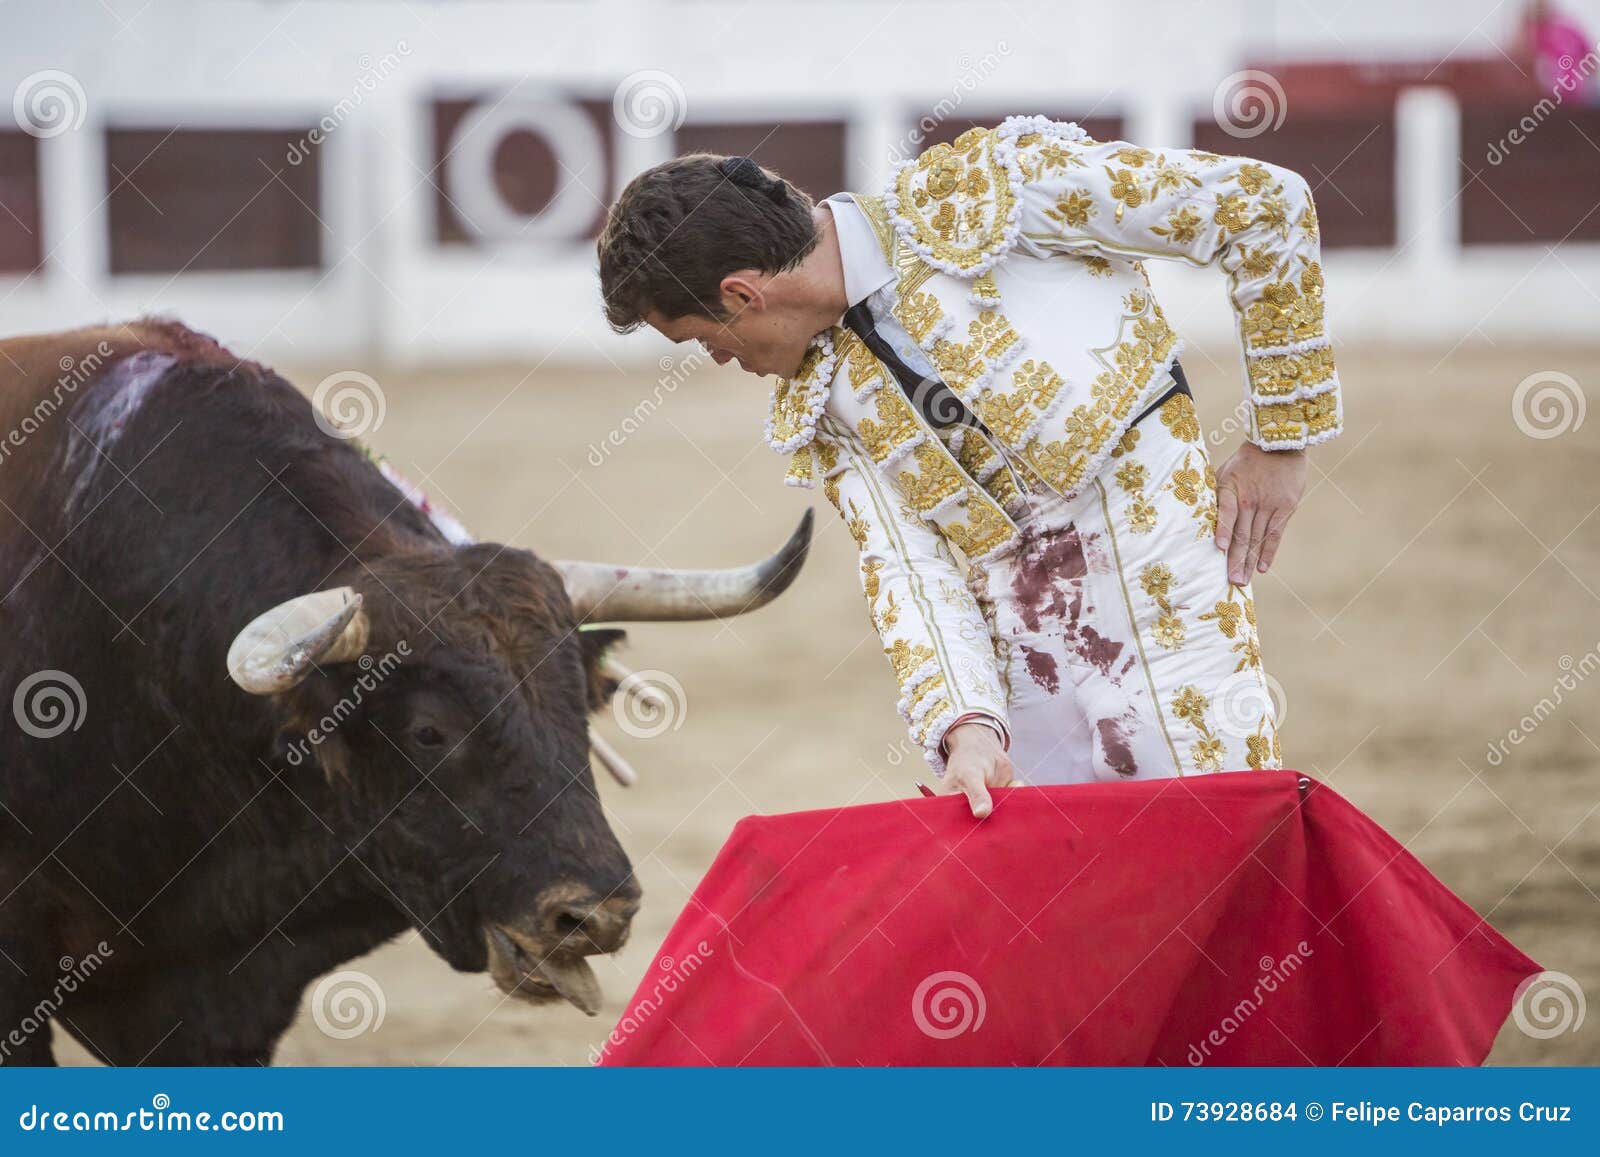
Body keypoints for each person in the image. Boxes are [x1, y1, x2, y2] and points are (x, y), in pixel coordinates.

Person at [596, 116, 1342, 817]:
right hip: (1025, 668)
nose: (718, 359)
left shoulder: (992, 193)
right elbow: (909, 567)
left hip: (1170, 604)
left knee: (1216, 856)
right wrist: (969, 725)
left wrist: (1281, 438)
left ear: (741, 294)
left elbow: (1262, 205)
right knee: (1070, 894)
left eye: (701, 339)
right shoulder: (823, 397)